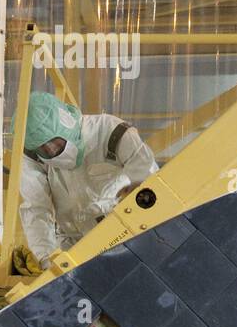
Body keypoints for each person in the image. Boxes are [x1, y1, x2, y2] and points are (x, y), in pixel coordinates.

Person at [16, 91, 158, 272]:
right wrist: (47, 261)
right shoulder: (31, 157)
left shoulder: (111, 132)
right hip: (74, 249)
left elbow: (149, 183)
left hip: (126, 238)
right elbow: (36, 209)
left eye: (55, 142)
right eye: (42, 148)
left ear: (67, 123)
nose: (51, 150)